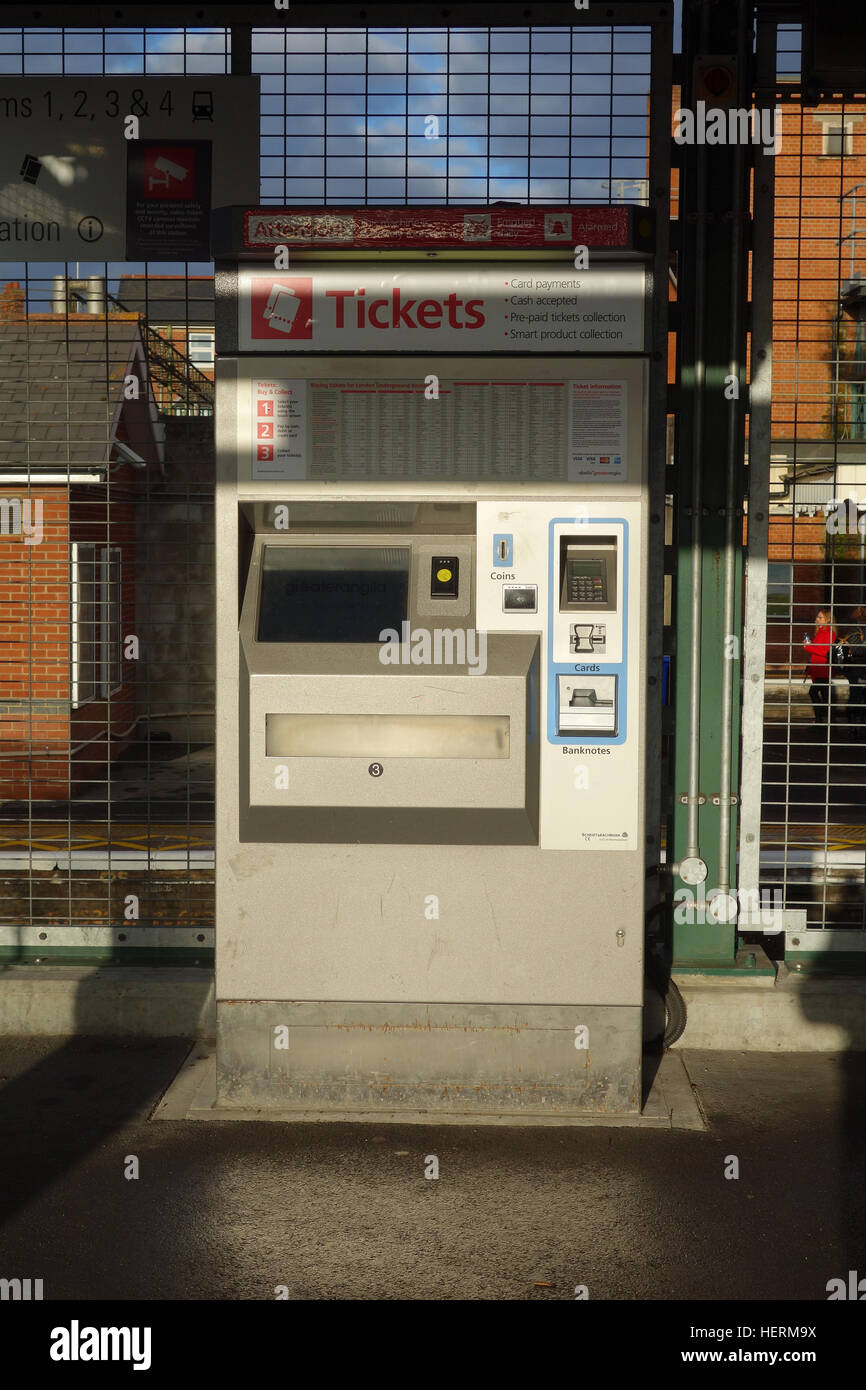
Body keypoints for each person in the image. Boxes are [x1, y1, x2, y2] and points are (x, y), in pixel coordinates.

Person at [803, 608, 838, 724]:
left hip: (823, 668)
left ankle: (821, 719)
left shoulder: (829, 633)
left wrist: (809, 647)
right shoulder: (821, 632)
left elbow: (824, 651)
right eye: (817, 617)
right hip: (818, 668)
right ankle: (827, 719)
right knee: (825, 694)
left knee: (814, 692)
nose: (817, 619)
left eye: (820, 617)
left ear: (827, 620)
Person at [840, 605, 866, 741]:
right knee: (856, 698)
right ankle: (854, 729)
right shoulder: (856, 630)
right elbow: (857, 649)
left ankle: (857, 728)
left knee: (857, 698)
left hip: (857, 670)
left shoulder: (854, 630)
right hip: (858, 670)